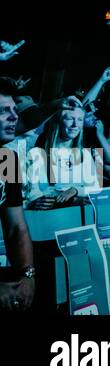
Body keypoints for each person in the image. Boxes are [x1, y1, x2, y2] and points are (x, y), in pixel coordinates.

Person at [25, 97, 102, 208]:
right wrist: (39, 200)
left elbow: (95, 186)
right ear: (58, 121)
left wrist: (75, 190)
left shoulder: (84, 154)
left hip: (75, 215)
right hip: (48, 215)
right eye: (70, 119)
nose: (75, 125)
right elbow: (33, 192)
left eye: (80, 120)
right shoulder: (37, 153)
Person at [0, 79, 36, 313]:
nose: (14, 117)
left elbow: (16, 227)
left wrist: (28, 275)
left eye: (14, 110)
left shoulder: (7, 160)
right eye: (4, 111)